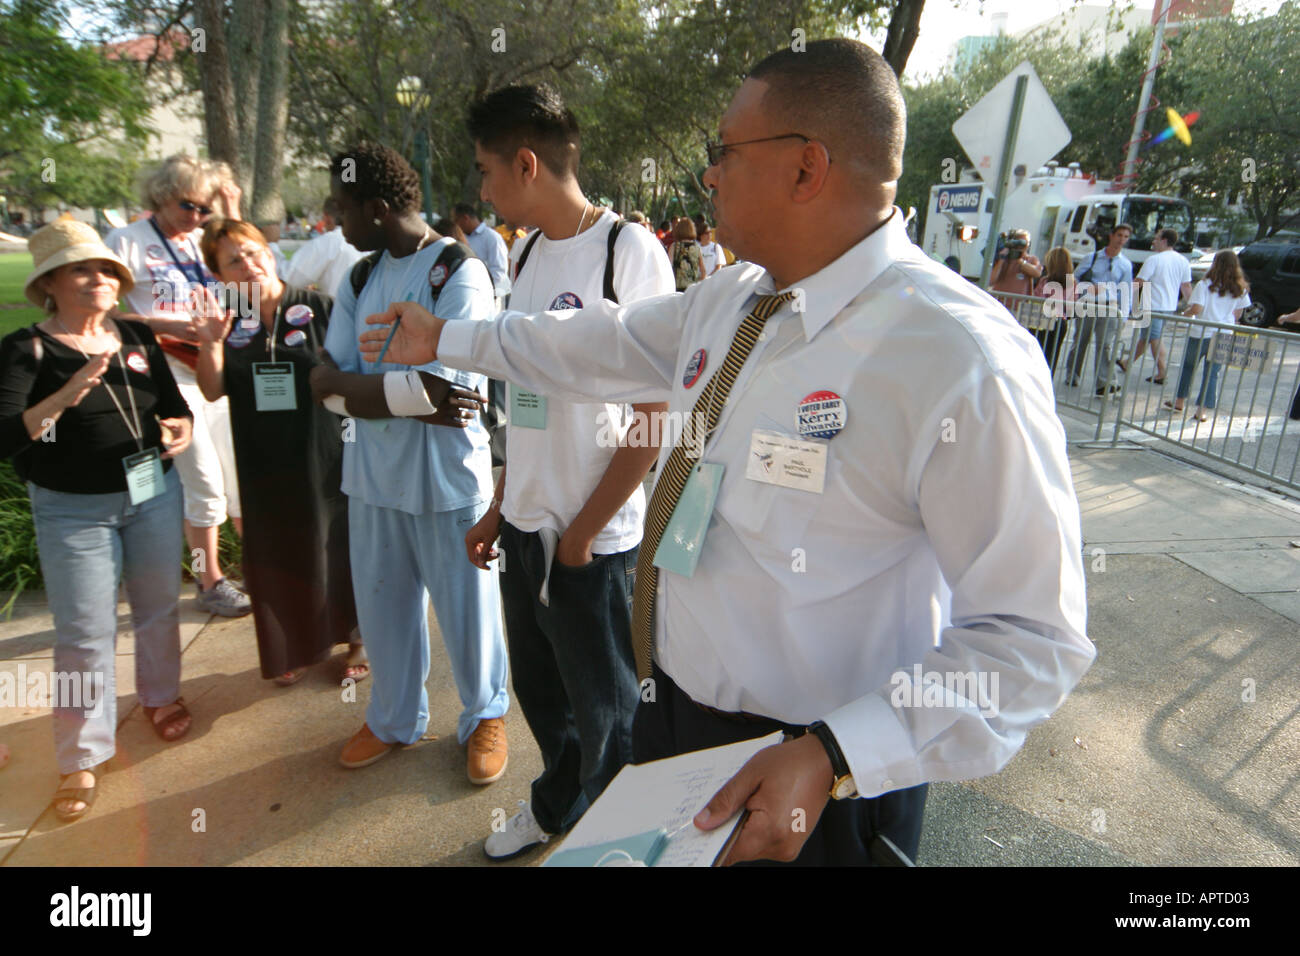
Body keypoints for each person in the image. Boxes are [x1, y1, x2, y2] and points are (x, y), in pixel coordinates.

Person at [359, 38, 1094, 866]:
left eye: (725, 152)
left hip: (811, 785)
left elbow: (1032, 638)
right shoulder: (734, 302)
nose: (709, 175)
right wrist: (449, 337)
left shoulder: (957, 359)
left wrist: (837, 755)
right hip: (675, 729)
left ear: (805, 169)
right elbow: (594, 345)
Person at [460, 84, 675, 859]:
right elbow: (524, 398)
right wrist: (500, 506)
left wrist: (583, 533)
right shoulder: (520, 253)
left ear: (526, 163)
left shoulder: (629, 252)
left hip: (595, 543)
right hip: (525, 528)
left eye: (487, 171)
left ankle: (621, 844)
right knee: (544, 697)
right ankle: (557, 806)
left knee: (612, 713)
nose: (481, 190)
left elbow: (655, 414)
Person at [310, 143, 511, 783]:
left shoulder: (458, 273)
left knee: (468, 607)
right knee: (383, 608)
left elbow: (440, 393)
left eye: (343, 210)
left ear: (376, 207)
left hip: (446, 478)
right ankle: (394, 717)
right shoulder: (361, 278)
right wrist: (395, 389)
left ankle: (485, 715)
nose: (337, 222)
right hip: (372, 477)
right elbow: (328, 379)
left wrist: (366, 390)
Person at [0, 220, 195, 822]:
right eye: (82, 269)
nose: (99, 278)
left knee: (159, 605)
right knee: (83, 633)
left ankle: (161, 698)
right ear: (51, 283)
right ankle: (80, 755)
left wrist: (180, 430)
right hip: (72, 510)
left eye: (107, 269)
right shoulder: (27, 348)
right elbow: (8, 436)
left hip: (151, 494)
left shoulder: (135, 334)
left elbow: (175, 406)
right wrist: (68, 393)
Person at [191, 218, 366, 685]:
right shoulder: (229, 319)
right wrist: (209, 343)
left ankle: (357, 638)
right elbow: (211, 391)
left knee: (339, 543)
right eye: (233, 261)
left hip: (326, 453)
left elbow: (355, 373)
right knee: (277, 552)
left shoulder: (320, 307)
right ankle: (291, 646)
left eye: (252, 252)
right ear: (221, 277)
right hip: (264, 461)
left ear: (269, 253)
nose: (247, 265)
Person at [105, 154, 251, 618]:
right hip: (167, 375)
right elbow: (103, 315)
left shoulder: (198, 240)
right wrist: (165, 324)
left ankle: (263, 567)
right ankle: (209, 581)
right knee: (203, 479)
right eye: (191, 206)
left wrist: (231, 211)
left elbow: (245, 273)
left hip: (215, 367)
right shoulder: (128, 240)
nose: (198, 217)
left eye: (206, 210)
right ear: (164, 195)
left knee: (238, 476)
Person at [1165, 250, 1251, 423]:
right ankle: (1202, 410)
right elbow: (1238, 313)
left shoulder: (1205, 284)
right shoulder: (1240, 287)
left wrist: (1185, 314)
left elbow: (1197, 308)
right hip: (1224, 332)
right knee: (1212, 373)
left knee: (1189, 368)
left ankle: (1179, 401)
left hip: (1201, 331)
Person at [1063, 223, 1134, 396]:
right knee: (1080, 341)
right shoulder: (1092, 257)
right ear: (1111, 235)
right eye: (1119, 235)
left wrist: (1124, 316)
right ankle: (1072, 374)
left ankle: (1105, 382)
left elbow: (1126, 290)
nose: (1121, 240)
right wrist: (1087, 288)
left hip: (1109, 308)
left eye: (1125, 237)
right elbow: (1074, 278)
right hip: (1088, 304)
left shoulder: (1125, 264)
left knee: (1106, 346)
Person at [1124, 228, 1191, 384]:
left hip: (1152, 305)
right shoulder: (1183, 261)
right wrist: (1191, 305)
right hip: (1169, 306)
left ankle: (1162, 372)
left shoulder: (1154, 260)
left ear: (1164, 241)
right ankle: (1127, 363)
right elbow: (1186, 286)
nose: (1153, 242)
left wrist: (1122, 296)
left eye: (1156, 238)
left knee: (1154, 338)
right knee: (1146, 337)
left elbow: (1139, 281)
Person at [283, 197, 364, 295]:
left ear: (326, 217)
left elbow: (288, 278)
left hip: (336, 307)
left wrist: (271, 243)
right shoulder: (373, 241)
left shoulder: (329, 242)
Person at [453, 202, 511, 305]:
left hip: (493, 296)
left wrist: (489, 294)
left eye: (456, 220)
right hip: (474, 294)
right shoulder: (463, 238)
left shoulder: (492, 237)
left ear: (465, 218)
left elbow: (499, 270)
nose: (456, 225)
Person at [1031, 246, 1074, 374]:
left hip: (1042, 320)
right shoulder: (1071, 283)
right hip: (1060, 321)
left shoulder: (1045, 281)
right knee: (1052, 356)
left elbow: (1037, 298)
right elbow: (1071, 305)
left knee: (1037, 354)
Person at [989, 228, 1042, 297]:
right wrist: (1001, 259)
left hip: (1019, 305)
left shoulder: (1031, 259)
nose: (1024, 245)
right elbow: (991, 281)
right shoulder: (1003, 258)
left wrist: (1019, 260)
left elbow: (1037, 273)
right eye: (1021, 242)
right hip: (1000, 302)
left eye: (1026, 242)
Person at [667, 217, 704, 291]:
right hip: (693, 288)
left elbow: (668, 268)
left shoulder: (674, 246)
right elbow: (703, 271)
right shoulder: (697, 247)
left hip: (678, 287)